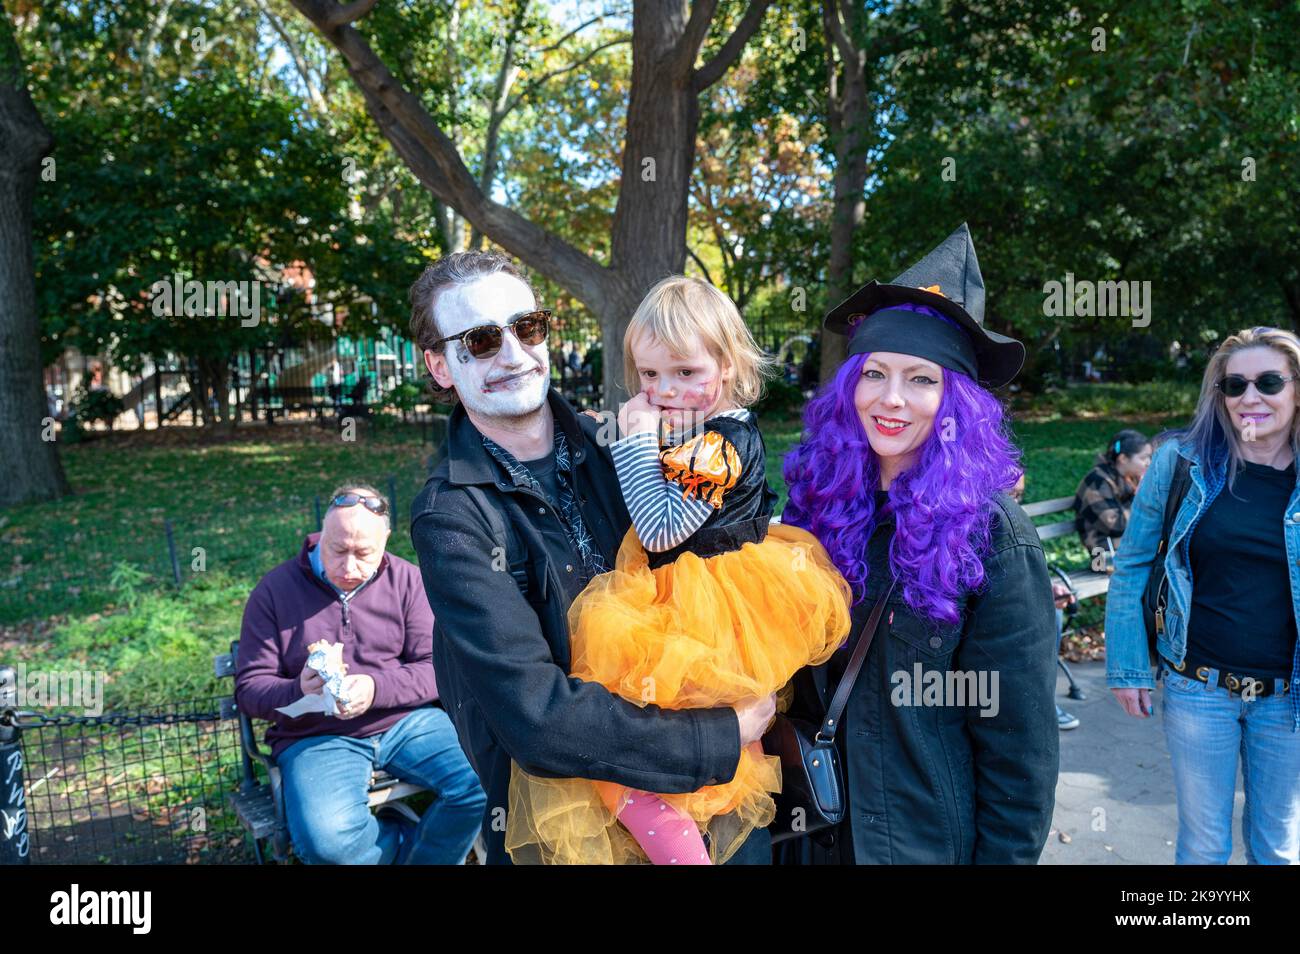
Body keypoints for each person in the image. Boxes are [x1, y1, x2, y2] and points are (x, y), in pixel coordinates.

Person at [405, 252, 777, 865]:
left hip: (719, 803)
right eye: (480, 339)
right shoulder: (451, 517)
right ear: (441, 366)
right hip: (573, 834)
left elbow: (729, 543)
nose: (513, 353)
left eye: (526, 327)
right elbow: (537, 715)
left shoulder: (626, 441)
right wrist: (719, 734)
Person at [504, 277, 851, 865]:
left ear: (729, 363)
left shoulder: (722, 441)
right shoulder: (692, 426)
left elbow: (663, 526)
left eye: (686, 373)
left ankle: (684, 855)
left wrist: (635, 438)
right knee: (653, 751)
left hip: (708, 607)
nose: (665, 390)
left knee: (664, 761)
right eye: (649, 375)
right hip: (677, 597)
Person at [780, 223, 1060, 863]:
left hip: (918, 847)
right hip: (807, 837)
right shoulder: (815, 511)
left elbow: (1019, 746)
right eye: (875, 373)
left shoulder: (994, 537)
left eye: (921, 379)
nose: (892, 399)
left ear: (956, 400)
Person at [1106, 327, 1300, 864]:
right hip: (1199, 690)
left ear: (1297, 388)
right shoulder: (1181, 462)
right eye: (1234, 385)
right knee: (1204, 845)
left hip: (1289, 699)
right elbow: (1133, 565)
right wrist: (1128, 664)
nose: (1250, 397)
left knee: (1278, 848)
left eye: (1268, 381)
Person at [235, 482, 486, 864]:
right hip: (316, 735)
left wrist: (375, 688)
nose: (349, 567)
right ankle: (397, 840)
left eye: (363, 554)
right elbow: (250, 690)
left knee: (483, 781)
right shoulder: (273, 591)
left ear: (385, 541)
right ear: (322, 534)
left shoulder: (408, 581)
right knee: (326, 846)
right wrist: (297, 690)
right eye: (337, 550)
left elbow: (436, 669)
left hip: (407, 723)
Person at [1011, 475, 1081, 730]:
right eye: (1008, 494)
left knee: (1053, 609)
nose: (1015, 503)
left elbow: (1023, 569)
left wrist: (1045, 587)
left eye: (1018, 495)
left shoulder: (1014, 521)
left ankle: (1043, 699)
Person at [1073, 428, 1152, 564]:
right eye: (1143, 458)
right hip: (1103, 558)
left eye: (1150, 457)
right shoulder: (1097, 482)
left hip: (1127, 550)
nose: (1148, 462)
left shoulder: (1130, 478)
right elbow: (1115, 525)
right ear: (1123, 458)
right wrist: (1140, 499)